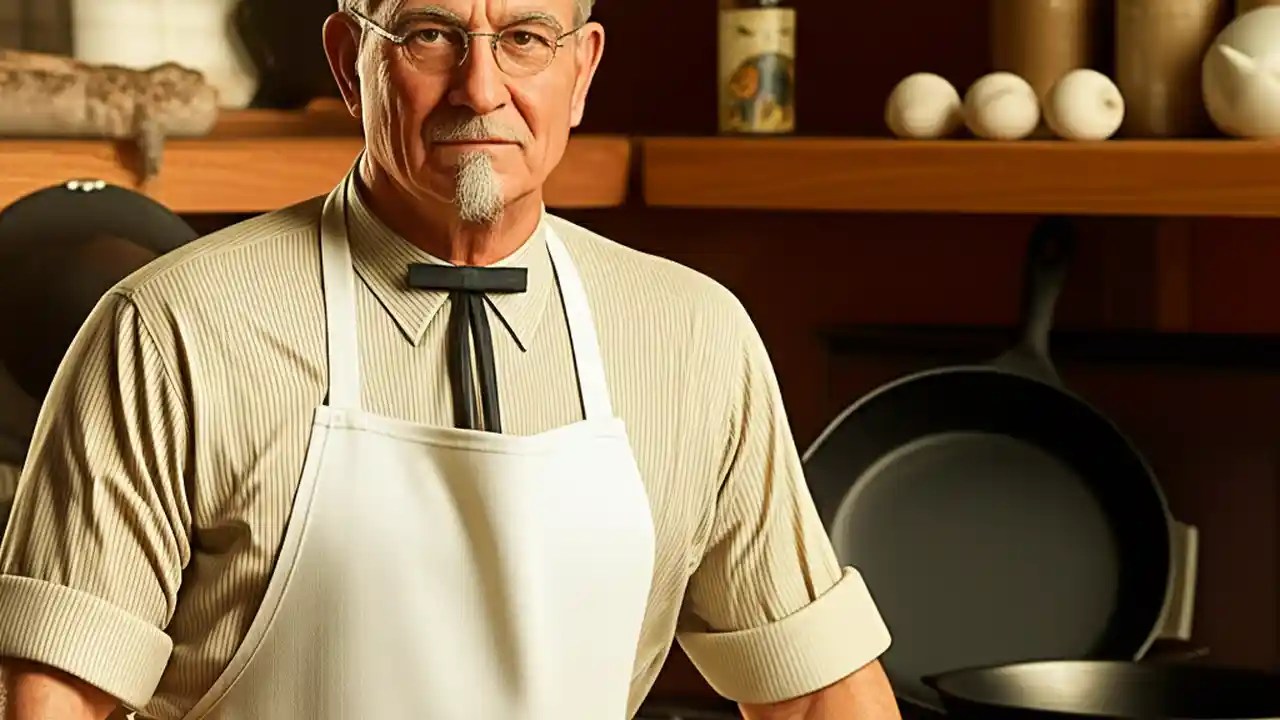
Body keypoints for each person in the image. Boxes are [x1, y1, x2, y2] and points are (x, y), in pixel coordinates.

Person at [0, 1, 900, 718]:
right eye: (429, 34)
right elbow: (53, 698)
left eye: (524, 39)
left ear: (581, 71)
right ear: (350, 60)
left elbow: (818, 693)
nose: (480, 87)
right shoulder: (169, 331)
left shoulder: (694, 336)